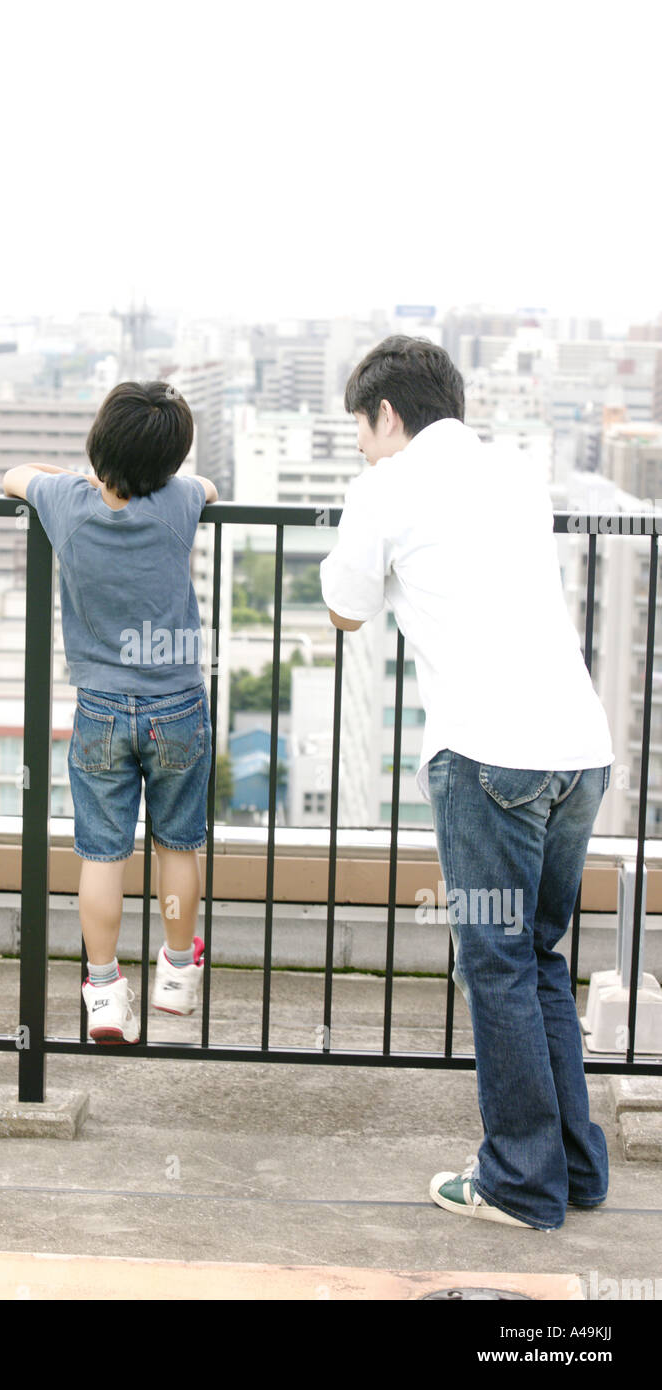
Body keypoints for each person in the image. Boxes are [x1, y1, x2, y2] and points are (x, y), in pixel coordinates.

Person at [319, 335, 613, 1231]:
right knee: (540, 960)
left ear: (388, 413)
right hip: (578, 748)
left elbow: (345, 609)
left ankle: (519, 1186)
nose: (361, 448)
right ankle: (572, 1168)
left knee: (494, 966)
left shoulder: (382, 487)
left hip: (488, 757)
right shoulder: (514, 471)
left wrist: (366, 512)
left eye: (360, 431)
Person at [3, 380, 217, 1044]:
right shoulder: (178, 502)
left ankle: (102, 990)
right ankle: (177, 975)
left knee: (102, 853)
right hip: (177, 707)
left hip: (99, 708)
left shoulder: (66, 504)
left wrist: (70, 475)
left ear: (97, 447)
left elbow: (14, 476)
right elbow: (206, 486)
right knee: (176, 842)